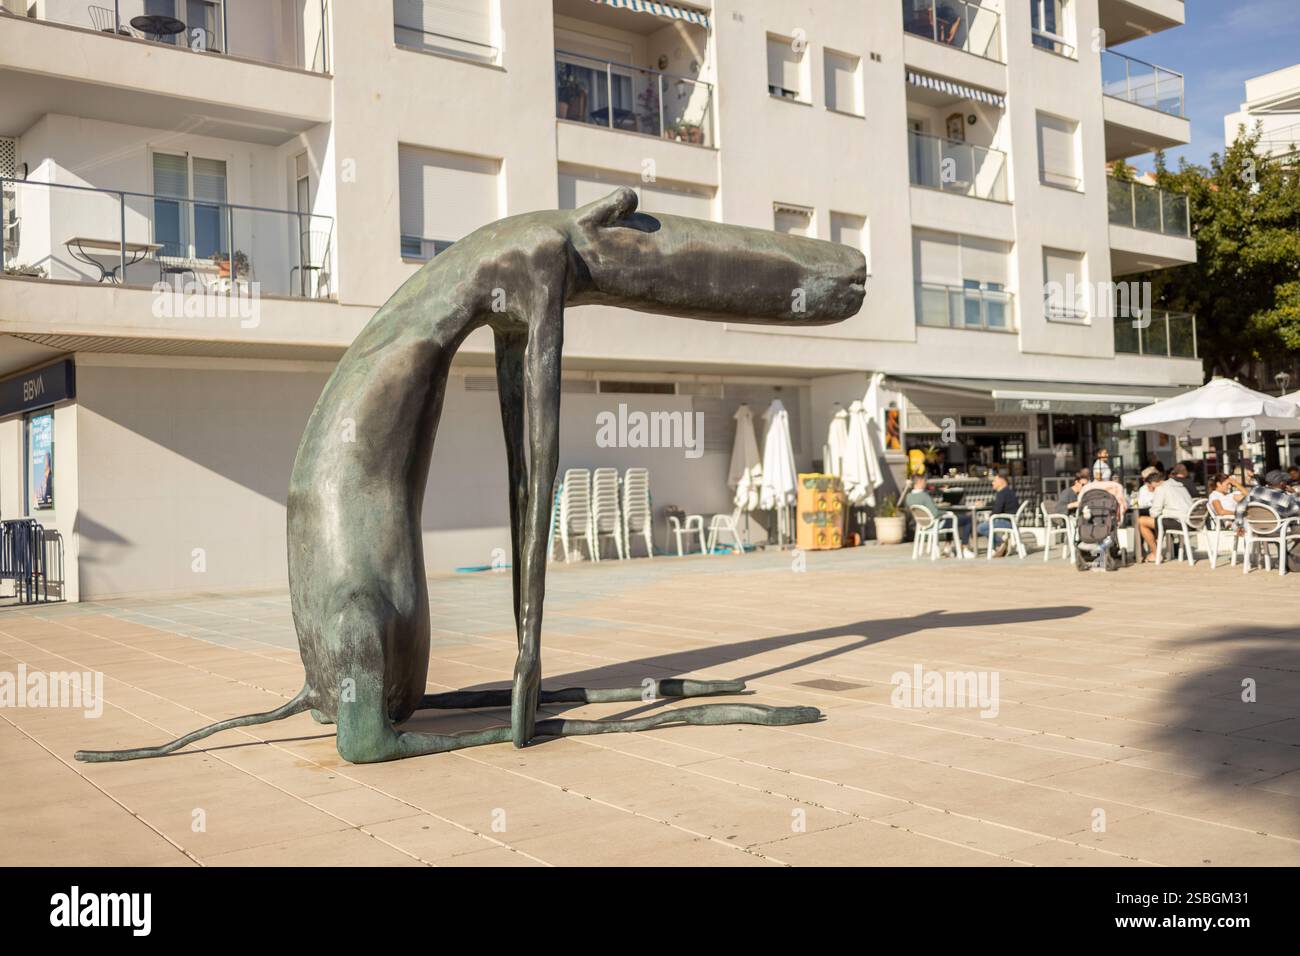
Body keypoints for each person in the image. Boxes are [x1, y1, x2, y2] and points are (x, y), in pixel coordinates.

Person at [958, 472, 1020, 558]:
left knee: (981, 527)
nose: (992, 483)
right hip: (1011, 520)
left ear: (1002, 481)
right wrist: (984, 503)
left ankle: (1000, 544)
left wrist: (990, 518)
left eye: (995, 481)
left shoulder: (1002, 493)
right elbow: (996, 504)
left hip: (1007, 522)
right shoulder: (1007, 492)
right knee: (985, 525)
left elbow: (997, 510)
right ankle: (998, 547)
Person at [1141, 468, 1194, 562]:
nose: (1151, 489)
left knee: (1141, 521)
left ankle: (1155, 553)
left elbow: (1154, 513)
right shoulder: (1180, 486)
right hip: (1192, 521)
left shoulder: (1161, 488)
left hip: (1180, 521)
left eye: (1150, 486)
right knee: (1159, 521)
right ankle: (1157, 550)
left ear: (1154, 482)